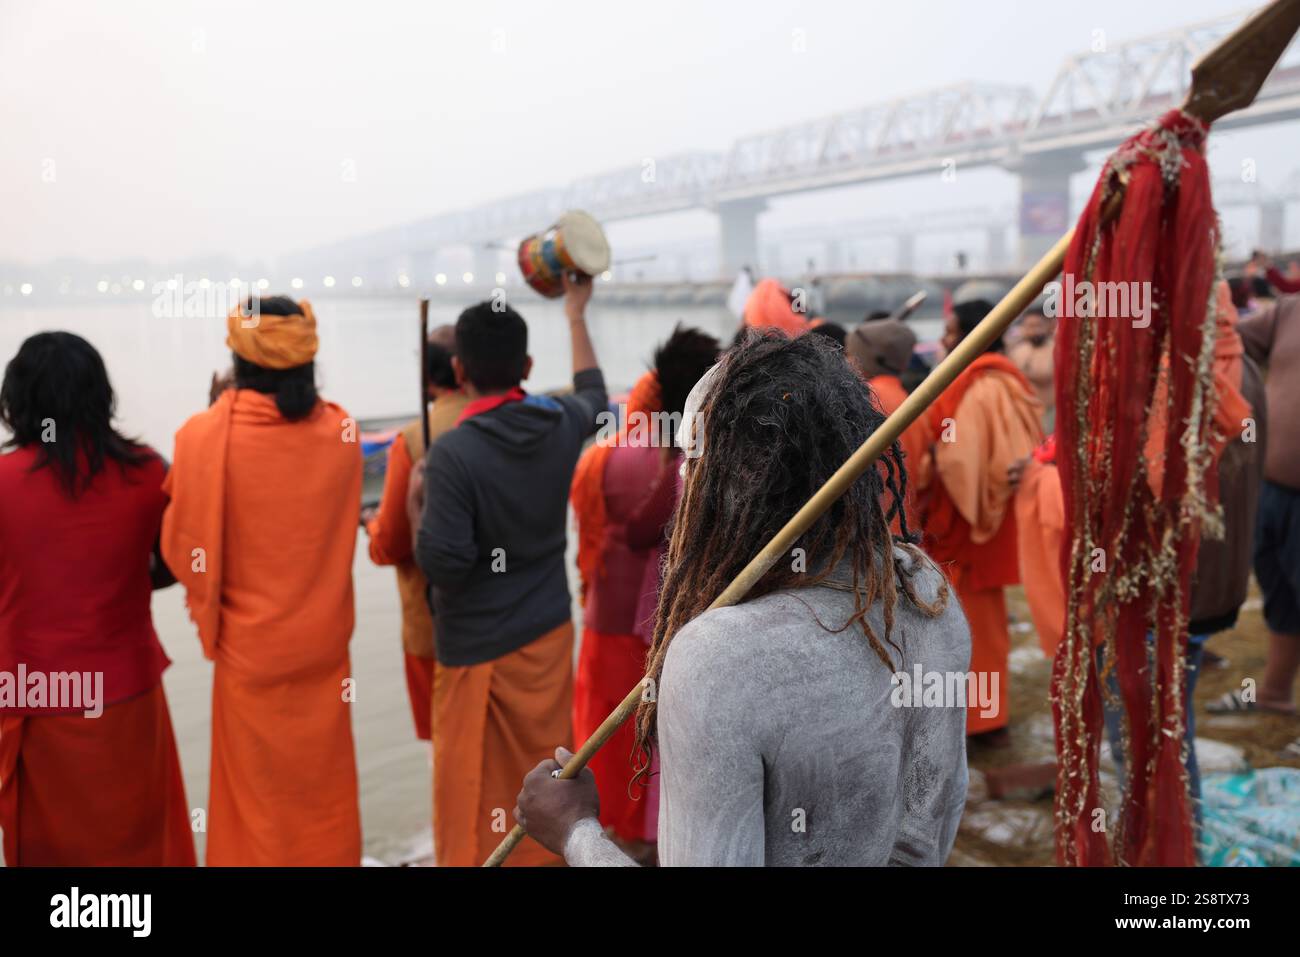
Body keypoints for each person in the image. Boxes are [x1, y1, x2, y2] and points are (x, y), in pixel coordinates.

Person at [513, 331, 970, 866]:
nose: (685, 482)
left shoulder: (717, 657)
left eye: (692, 465)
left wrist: (574, 833)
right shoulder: (923, 588)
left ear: (726, 483)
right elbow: (931, 826)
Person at [161, 296, 363, 866]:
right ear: (307, 356)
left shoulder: (202, 437)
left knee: (255, 804)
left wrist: (216, 411)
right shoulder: (343, 432)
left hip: (250, 656)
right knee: (323, 793)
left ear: (236, 359)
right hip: (323, 651)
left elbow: (181, 554)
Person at [413, 273, 606, 866]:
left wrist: (419, 502)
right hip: (546, 632)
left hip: (476, 646)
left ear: (461, 373)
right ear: (526, 365)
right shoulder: (560, 421)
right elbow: (596, 397)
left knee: (474, 796)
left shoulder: (451, 454)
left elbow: (445, 565)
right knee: (542, 770)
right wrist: (575, 312)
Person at [0, 332, 194, 866]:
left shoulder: (4, 481)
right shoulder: (148, 471)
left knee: (52, 851)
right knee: (140, 842)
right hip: (128, 692)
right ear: (99, 394)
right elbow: (173, 565)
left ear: (19, 399)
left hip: (37, 697)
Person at [569, 325, 719, 859]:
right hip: (689, 625)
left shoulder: (609, 458)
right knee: (667, 737)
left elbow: (622, 533)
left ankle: (620, 838)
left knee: (611, 734)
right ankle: (651, 834)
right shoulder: (717, 453)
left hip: (615, 620)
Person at [916, 299, 1043, 743]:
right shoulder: (993, 378)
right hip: (976, 523)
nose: (945, 339)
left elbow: (964, 465)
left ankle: (986, 723)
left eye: (951, 331)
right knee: (976, 623)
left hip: (971, 526)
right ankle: (981, 716)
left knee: (978, 627)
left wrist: (928, 462)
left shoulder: (984, 385)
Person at [362, 326, 467, 744]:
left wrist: (370, 524)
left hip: (433, 626)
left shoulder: (413, 439)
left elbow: (391, 543)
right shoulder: (512, 420)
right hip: (510, 625)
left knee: (443, 745)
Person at [1208, 293, 1300, 758]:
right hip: (1276, 490)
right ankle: (1274, 693)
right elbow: (1227, 339)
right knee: (1281, 597)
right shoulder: (1289, 311)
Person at [844, 318, 925, 531]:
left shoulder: (866, 398)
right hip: (905, 523)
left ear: (867, 360)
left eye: (850, 355)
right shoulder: (909, 400)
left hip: (872, 526)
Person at [1007, 305, 1055, 432]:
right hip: (1024, 412)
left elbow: (1044, 373)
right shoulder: (1017, 351)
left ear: (1048, 326)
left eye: (1038, 326)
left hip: (1050, 411)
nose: (1034, 331)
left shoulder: (1055, 349)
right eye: (1029, 326)